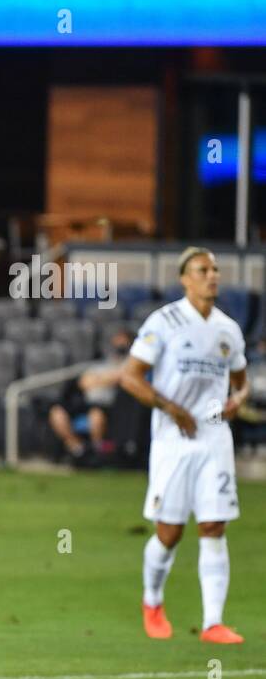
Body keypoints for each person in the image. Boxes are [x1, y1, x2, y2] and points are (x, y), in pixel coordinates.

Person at [119, 247, 249, 644]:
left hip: (213, 436)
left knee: (213, 525)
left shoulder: (229, 328)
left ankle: (213, 623)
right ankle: (152, 601)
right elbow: (130, 377)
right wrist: (171, 407)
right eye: (202, 269)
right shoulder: (165, 321)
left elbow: (242, 382)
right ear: (184, 278)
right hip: (174, 439)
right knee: (170, 531)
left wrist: (237, 401)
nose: (212, 275)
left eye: (215, 269)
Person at [48, 328, 133, 466]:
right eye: (117, 340)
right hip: (86, 402)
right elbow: (84, 383)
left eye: (123, 341)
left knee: (95, 415)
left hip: (109, 405)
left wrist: (99, 380)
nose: (119, 344)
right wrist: (105, 379)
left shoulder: (131, 363)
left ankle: (96, 453)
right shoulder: (101, 362)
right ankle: (77, 449)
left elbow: (119, 377)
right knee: (57, 412)